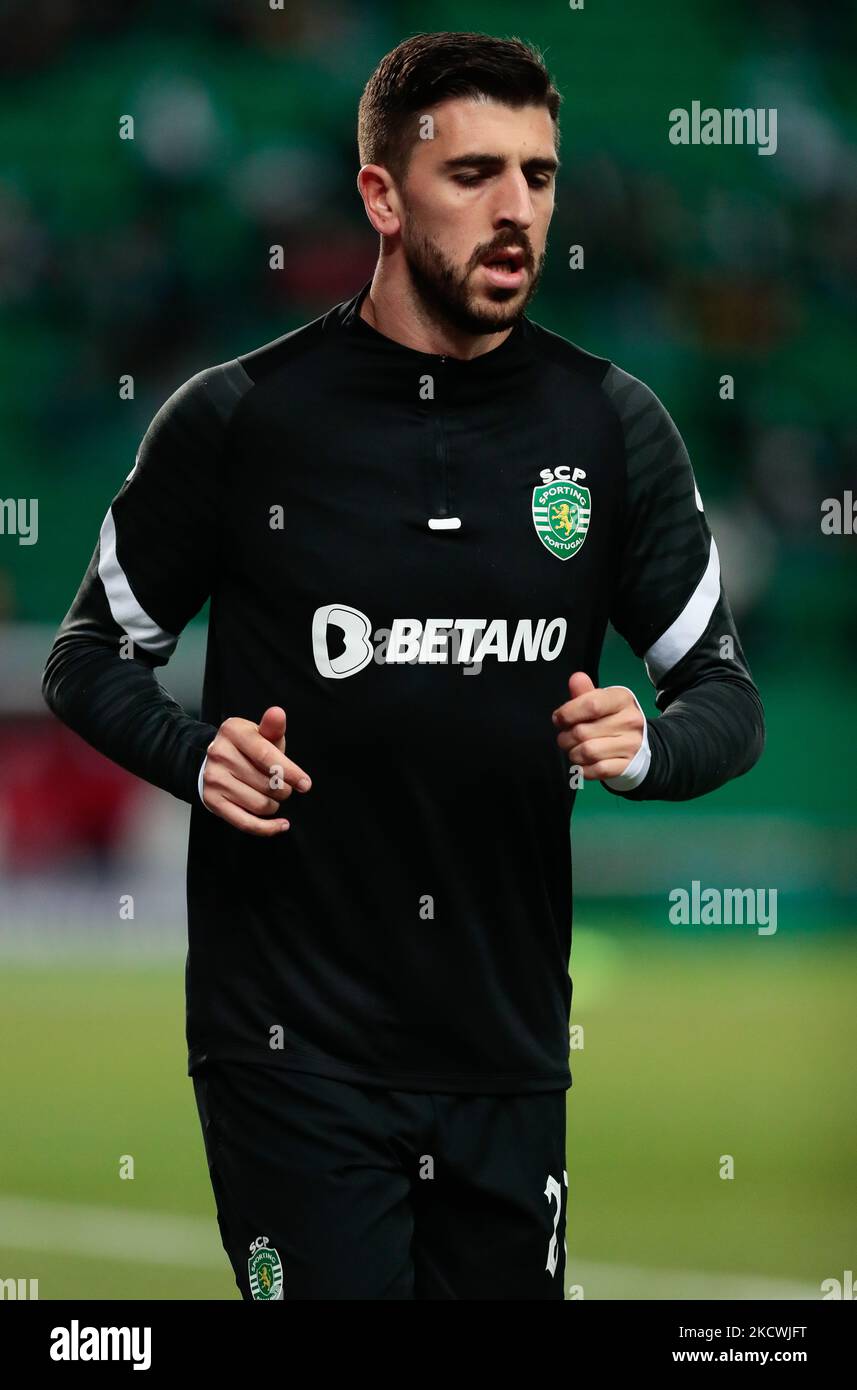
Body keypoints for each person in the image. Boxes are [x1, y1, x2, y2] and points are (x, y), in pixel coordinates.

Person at [42, 31, 765, 1300]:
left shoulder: (609, 426)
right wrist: (189, 748)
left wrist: (645, 748)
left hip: (507, 1051)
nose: (515, 211)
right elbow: (87, 657)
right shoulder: (241, 418)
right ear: (381, 194)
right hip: (290, 1049)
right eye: (473, 173)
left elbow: (723, 693)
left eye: (537, 178)